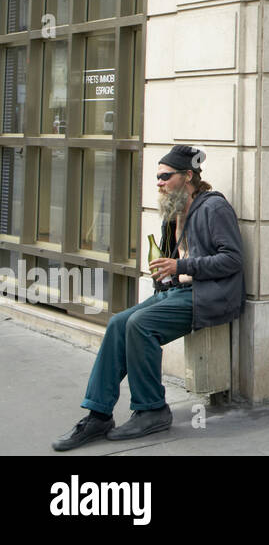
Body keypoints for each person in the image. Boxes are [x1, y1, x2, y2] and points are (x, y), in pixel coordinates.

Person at [52, 144, 244, 450]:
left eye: (165, 176)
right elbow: (173, 262)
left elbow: (232, 260)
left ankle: (152, 409)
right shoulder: (174, 211)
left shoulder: (213, 208)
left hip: (209, 294)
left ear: (188, 176)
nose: (159, 182)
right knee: (118, 323)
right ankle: (98, 414)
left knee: (140, 324)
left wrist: (180, 265)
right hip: (181, 291)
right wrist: (166, 275)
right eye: (157, 177)